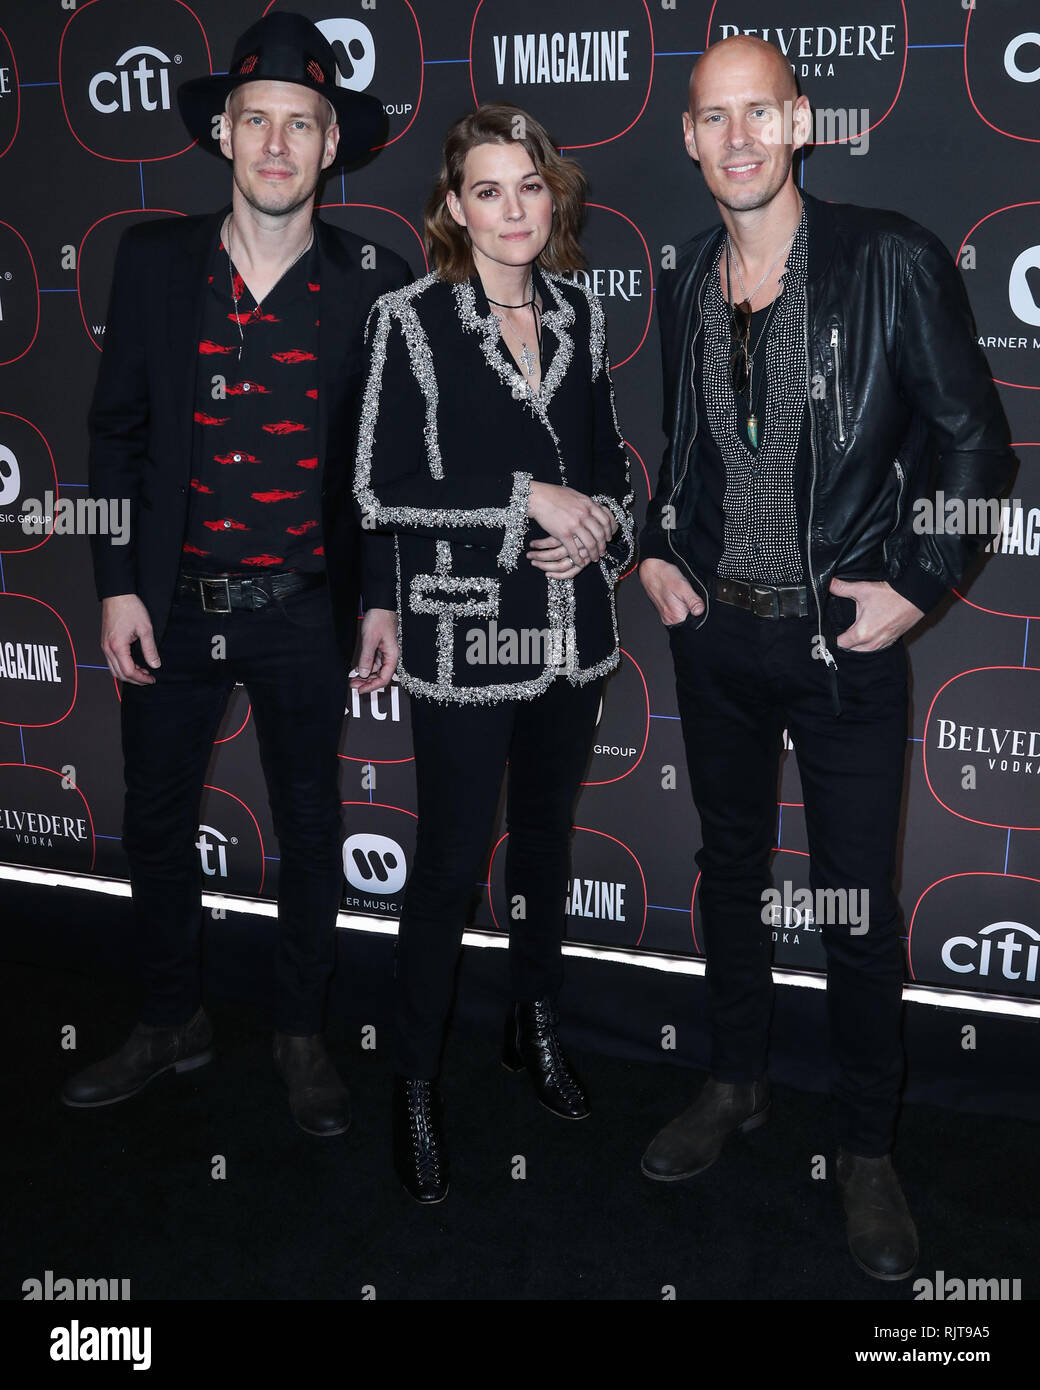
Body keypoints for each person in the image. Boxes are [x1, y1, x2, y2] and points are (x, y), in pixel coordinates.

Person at [637, 36, 1015, 1279]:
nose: (737, 138)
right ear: (687, 138)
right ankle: (734, 1080)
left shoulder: (887, 258)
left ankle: (862, 1149)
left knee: (854, 910)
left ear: (799, 121)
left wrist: (914, 592)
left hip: (840, 643)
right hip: (717, 642)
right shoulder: (687, 271)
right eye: (713, 118)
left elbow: (979, 453)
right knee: (729, 872)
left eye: (760, 112)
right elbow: (678, 450)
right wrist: (651, 552)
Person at [63, 13, 410, 1138]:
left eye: (298, 124)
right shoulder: (156, 261)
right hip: (170, 605)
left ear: (330, 146)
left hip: (304, 611)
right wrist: (117, 578)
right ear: (223, 134)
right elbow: (113, 432)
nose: (275, 143)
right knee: (155, 820)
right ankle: (172, 1018)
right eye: (255, 120)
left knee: (312, 828)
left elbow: (389, 463)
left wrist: (378, 597)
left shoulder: (375, 279)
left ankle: (300, 1037)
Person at [354, 103, 634, 1203]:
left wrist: (600, 524)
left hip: (576, 634)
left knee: (545, 847)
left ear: (551, 196)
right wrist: (530, 500)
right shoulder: (409, 320)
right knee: (450, 862)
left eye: (528, 186)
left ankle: (533, 1024)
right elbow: (383, 488)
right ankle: (414, 1081)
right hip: (463, 636)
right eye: (486, 189)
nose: (512, 208)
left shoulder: (581, 311)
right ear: (453, 206)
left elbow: (608, 463)